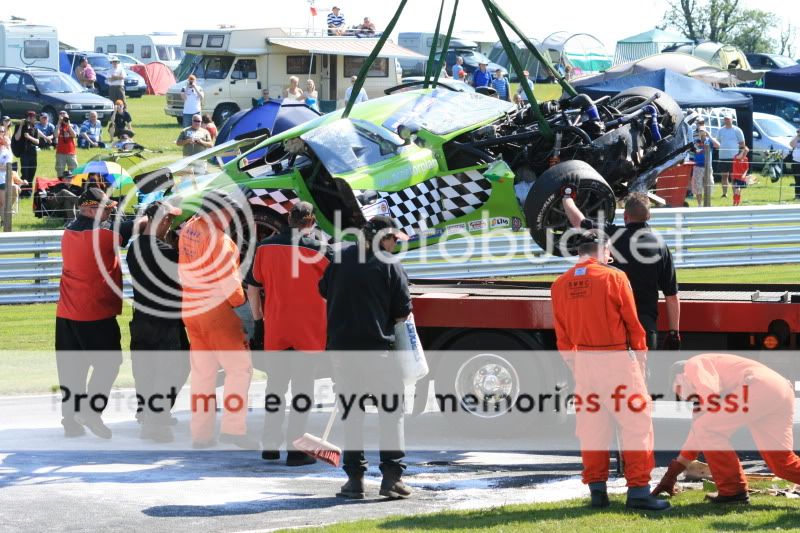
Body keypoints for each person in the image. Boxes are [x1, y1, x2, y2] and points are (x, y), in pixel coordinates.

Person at [550, 232, 669, 511]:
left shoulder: (559, 285)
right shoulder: (614, 277)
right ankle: (638, 492)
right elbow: (633, 325)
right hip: (617, 360)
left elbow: (562, 338)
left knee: (592, 429)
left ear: (580, 251)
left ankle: (597, 493)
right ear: (604, 251)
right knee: (636, 426)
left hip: (584, 362)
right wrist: (641, 361)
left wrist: (577, 365)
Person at [319, 215, 413, 500]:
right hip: (377, 351)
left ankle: (355, 481)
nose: (395, 245)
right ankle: (392, 479)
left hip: (342, 351)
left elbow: (323, 291)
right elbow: (402, 312)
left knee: (352, 414)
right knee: (391, 413)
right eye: (394, 239)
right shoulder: (390, 265)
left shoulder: (339, 259)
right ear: (383, 238)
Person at [246, 202, 331, 466]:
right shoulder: (321, 251)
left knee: (275, 387)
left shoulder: (265, 248)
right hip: (309, 331)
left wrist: (259, 321)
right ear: (311, 222)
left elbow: (252, 287)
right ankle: (296, 450)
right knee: (302, 391)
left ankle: (270, 444)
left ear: (288, 219)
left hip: (277, 329)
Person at [55, 188, 144, 438]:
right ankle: (91, 412)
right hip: (95, 313)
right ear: (89, 209)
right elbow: (140, 224)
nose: (110, 212)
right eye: (106, 209)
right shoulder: (102, 236)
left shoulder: (69, 232)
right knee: (109, 364)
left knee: (71, 370)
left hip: (67, 313)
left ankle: (71, 421)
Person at [653, 354, 800, 504]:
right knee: (782, 462)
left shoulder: (693, 365)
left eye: (679, 390)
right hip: (781, 388)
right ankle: (733, 491)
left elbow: (708, 395)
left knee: (706, 427)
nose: (684, 397)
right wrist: (670, 476)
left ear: (680, 378)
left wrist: (702, 415)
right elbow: (696, 438)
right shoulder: (713, 379)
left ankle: (733, 490)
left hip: (758, 385)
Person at [178, 190, 255, 449]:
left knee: (203, 375)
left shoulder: (190, 227)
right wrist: (247, 316)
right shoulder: (221, 241)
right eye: (230, 212)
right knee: (239, 370)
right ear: (218, 212)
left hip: (192, 310)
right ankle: (234, 430)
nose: (232, 217)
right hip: (218, 314)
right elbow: (230, 285)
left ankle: (201, 435)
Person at [563, 191, 680, 350]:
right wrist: (674, 332)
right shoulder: (661, 247)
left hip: (613, 327)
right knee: (644, 366)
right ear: (649, 216)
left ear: (625, 216)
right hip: (645, 326)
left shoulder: (612, 235)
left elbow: (579, 222)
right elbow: (671, 296)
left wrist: (567, 197)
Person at [126, 200, 189, 443]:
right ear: (159, 220)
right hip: (165, 319)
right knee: (173, 370)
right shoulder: (165, 251)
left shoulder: (134, 247)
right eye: (169, 220)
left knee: (145, 370)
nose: (170, 224)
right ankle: (156, 422)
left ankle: (146, 412)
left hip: (142, 317)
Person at [715, 115, 747, 198]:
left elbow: (742, 143)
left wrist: (737, 150)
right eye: (725, 119)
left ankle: (735, 194)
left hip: (734, 157)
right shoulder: (720, 130)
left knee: (733, 177)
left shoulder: (737, 130)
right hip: (722, 156)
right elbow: (717, 142)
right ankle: (724, 194)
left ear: (732, 120)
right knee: (724, 176)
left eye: (728, 119)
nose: (727, 120)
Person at [12, 111, 39, 197]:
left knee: (32, 172)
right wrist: (20, 126)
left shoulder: (34, 128)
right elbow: (16, 138)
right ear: (29, 118)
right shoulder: (19, 126)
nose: (35, 119)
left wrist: (29, 137)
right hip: (24, 153)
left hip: (33, 153)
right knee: (25, 173)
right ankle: (22, 192)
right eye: (34, 117)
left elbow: (37, 141)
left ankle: (29, 193)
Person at [691, 129, 720, 207]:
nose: (701, 134)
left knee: (709, 185)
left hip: (708, 166)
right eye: (700, 132)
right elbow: (692, 149)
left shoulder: (709, 141)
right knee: (698, 186)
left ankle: (707, 203)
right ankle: (700, 205)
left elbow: (718, 145)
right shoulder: (696, 141)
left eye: (703, 132)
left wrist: (709, 135)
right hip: (698, 166)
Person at [55, 111, 79, 178]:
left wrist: (68, 125)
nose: (63, 116)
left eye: (64, 114)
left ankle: (72, 184)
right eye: (61, 114)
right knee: (60, 172)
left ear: (68, 116)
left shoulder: (74, 126)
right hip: (60, 153)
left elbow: (74, 135)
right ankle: (60, 183)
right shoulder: (58, 126)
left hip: (71, 153)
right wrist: (59, 123)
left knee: (74, 171)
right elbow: (56, 135)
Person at [0, 148, 21, 221]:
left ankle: (4, 220)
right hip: (3, 182)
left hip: (3, 181)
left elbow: (7, 167)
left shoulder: (7, 152)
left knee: (3, 202)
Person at [788, 129, 800, 200]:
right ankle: (797, 196)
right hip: (796, 162)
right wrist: (798, 136)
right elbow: (792, 144)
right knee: (798, 180)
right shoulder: (796, 138)